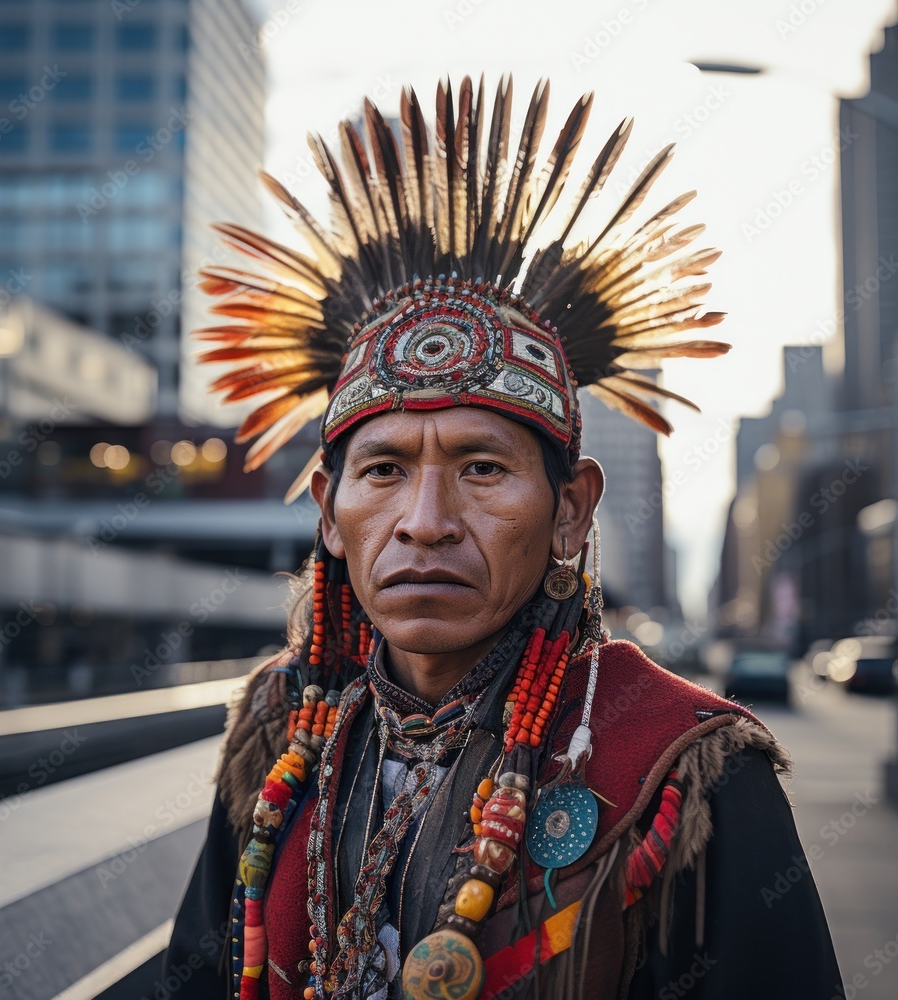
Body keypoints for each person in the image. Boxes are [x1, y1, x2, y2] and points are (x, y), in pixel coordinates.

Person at [164, 76, 841, 1000]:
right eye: (384, 470)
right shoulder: (280, 735)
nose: (426, 520)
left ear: (571, 510)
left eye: (483, 469)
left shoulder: (685, 770)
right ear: (328, 509)